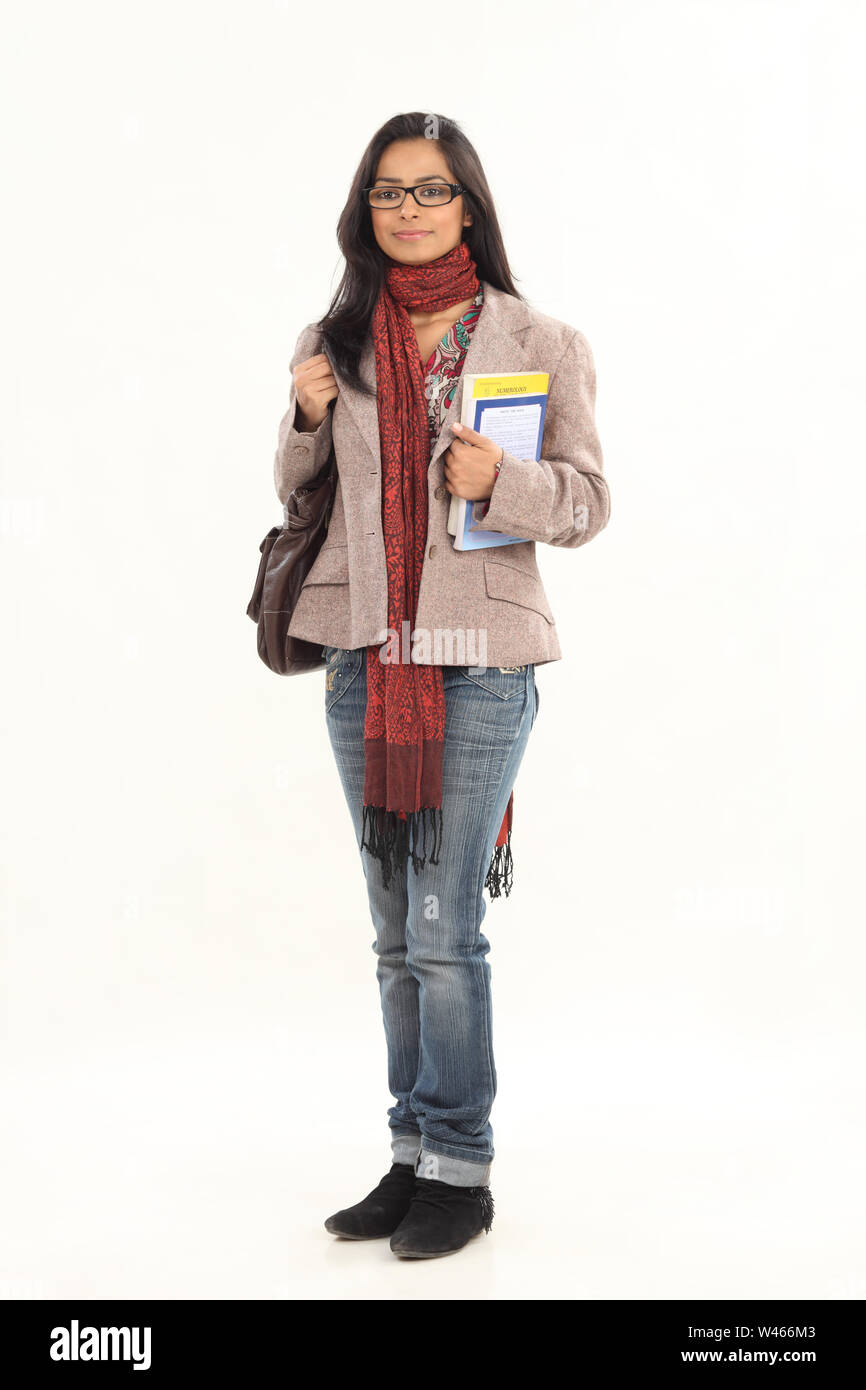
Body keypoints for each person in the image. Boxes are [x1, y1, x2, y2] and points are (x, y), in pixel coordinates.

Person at [272, 112, 610, 1259]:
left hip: (476, 667)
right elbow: (299, 495)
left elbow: (583, 504)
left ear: (468, 204)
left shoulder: (539, 339)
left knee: (441, 926)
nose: (407, 210)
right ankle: (410, 1153)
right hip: (364, 656)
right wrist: (306, 416)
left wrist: (499, 479)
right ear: (364, 212)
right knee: (389, 931)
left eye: (429, 191)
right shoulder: (337, 340)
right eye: (386, 194)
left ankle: (459, 1168)